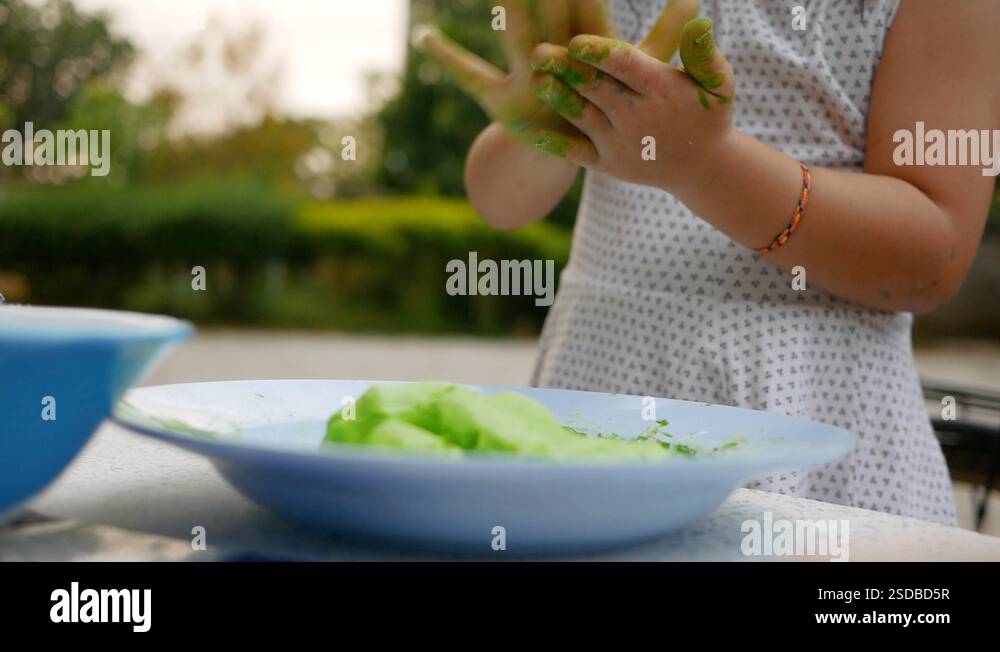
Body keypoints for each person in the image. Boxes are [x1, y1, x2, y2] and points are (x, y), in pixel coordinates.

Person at [418, 0, 1000, 524]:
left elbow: (932, 254)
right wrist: (543, 124)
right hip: (599, 386)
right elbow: (498, 202)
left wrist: (707, 168)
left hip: (803, 411)